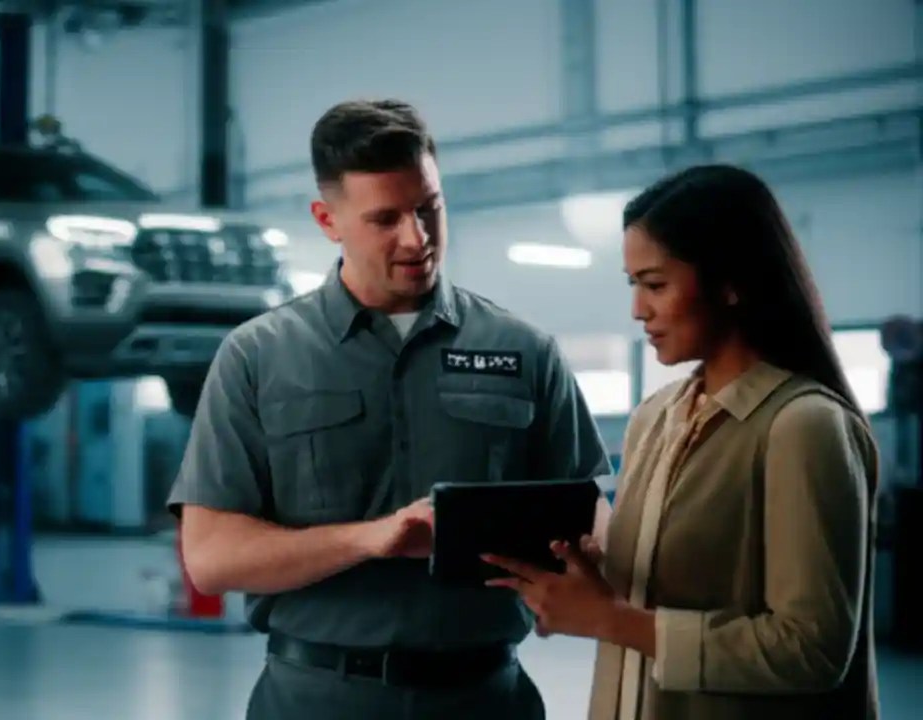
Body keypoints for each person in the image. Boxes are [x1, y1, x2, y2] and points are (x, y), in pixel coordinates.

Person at [166, 98, 613, 720]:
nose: (417, 238)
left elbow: (588, 512)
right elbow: (212, 560)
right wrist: (372, 539)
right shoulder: (257, 357)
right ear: (328, 219)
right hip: (316, 699)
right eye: (386, 219)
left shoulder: (523, 351)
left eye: (430, 208)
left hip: (486, 699)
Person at [483, 164, 880, 720]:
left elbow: (811, 648)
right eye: (633, 285)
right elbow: (664, 587)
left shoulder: (802, 426)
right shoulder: (655, 417)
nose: (637, 310)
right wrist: (590, 578)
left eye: (655, 284)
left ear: (730, 283)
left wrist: (609, 620)